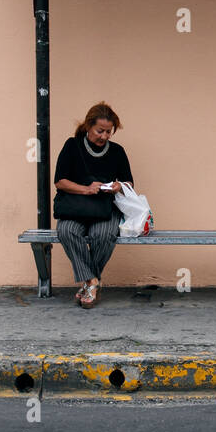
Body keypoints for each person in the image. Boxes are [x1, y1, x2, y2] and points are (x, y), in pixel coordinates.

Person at [53, 102, 134, 309]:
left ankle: (90, 283)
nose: (105, 136)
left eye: (109, 132)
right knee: (66, 230)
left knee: (104, 235)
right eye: (100, 131)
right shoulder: (72, 146)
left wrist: (118, 186)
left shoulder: (117, 151)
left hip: (104, 209)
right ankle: (93, 281)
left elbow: (129, 183)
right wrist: (86, 189)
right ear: (88, 126)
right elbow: (60, 181)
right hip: (75, 206)